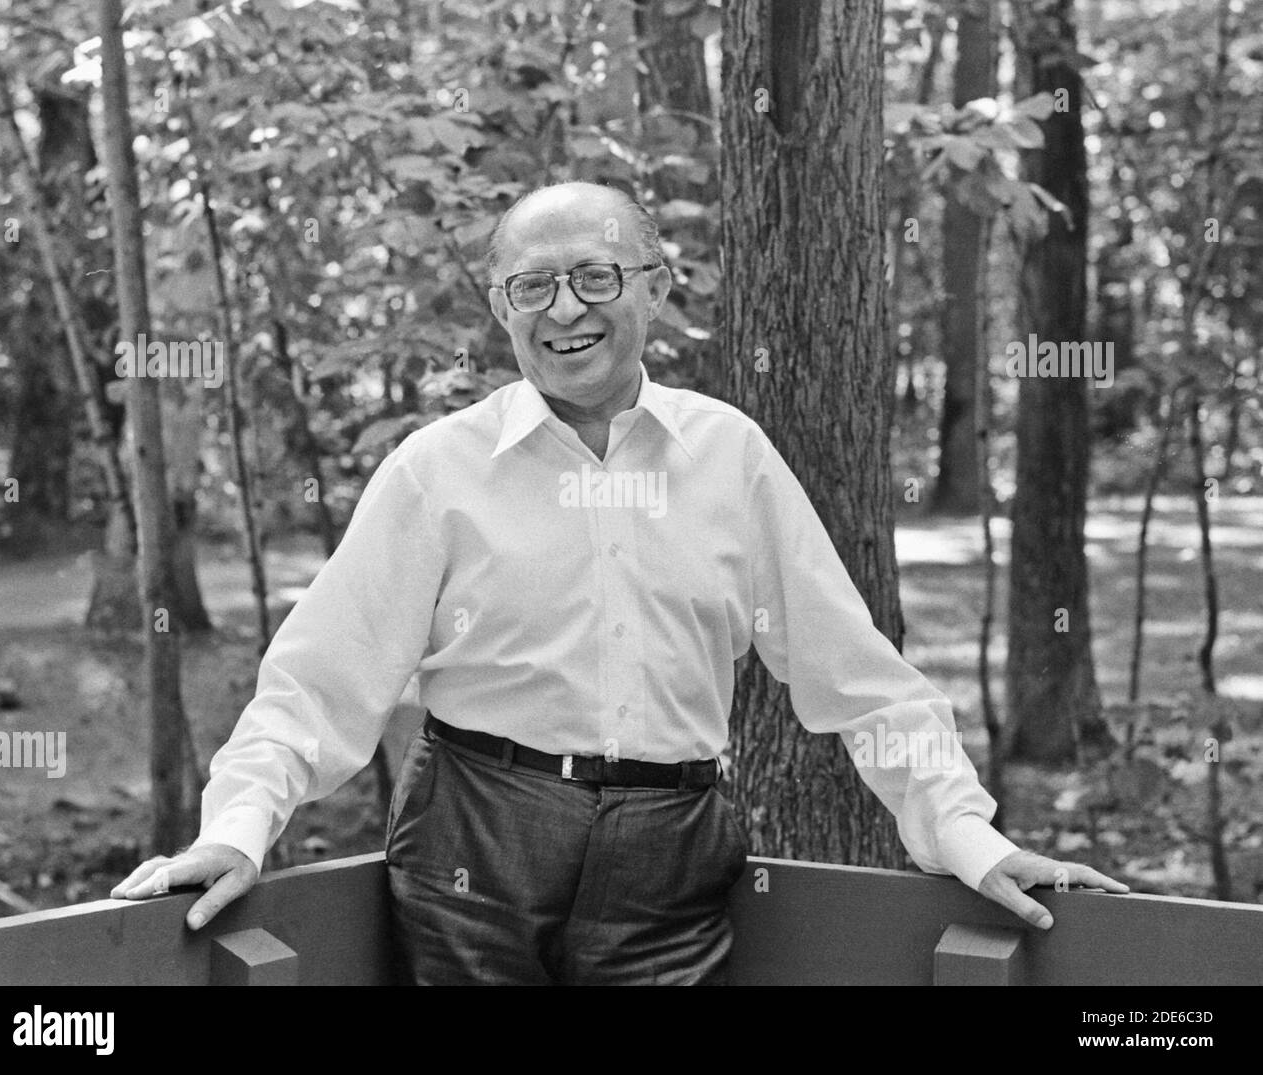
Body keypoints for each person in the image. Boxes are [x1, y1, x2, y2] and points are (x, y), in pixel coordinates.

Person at [112, 181, 1128, 984]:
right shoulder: (435, 470)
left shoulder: (729, 456)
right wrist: (236, 831)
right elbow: (318, 684)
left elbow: (857, 677)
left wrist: (968, 835)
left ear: (653, 282)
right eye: (531, 286)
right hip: (475, 843)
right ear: (501, 303)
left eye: (595, 277)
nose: (564, 311)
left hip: (669, 861)